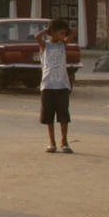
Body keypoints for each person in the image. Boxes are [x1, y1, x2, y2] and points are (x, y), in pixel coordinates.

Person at [36, 19, 74, 153]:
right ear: (52, 32)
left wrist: (66, 32)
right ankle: (52, 142)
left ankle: (64, 141)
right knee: (48, 116)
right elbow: (37, 37)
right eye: (61, 33)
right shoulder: (45, 45)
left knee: (64, 115)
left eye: (65, 33)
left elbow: (73, 33)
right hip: (47, 85)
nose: (64, 35)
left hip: (62, 86)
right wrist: (47, 31)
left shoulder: (63, 44)